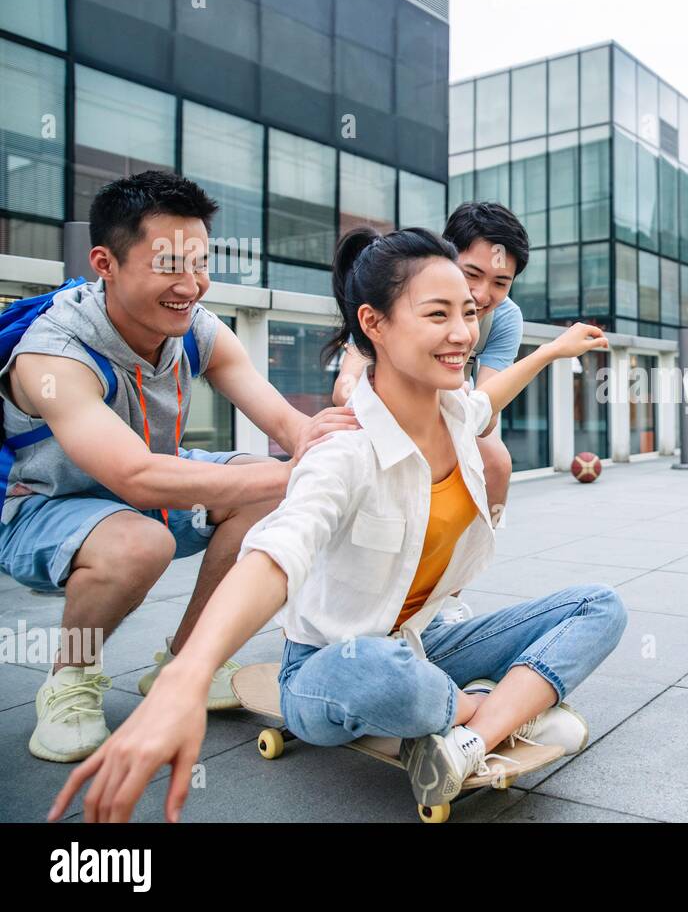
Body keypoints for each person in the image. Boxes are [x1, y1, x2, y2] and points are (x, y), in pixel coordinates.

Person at [49, 226, 626, 822]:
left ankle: (470, 734)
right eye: (437, 315)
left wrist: (553, 351)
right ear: (374, 324)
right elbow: (274, 554)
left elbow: (492, 394)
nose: (462, 334)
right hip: (331, 668)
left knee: (599, 606)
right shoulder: (343, 449)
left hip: (416, 647)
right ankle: (498, 708)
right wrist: (188, 675)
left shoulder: (456, 413)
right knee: (379, 672)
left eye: (469, 312)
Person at [0, 171, 358, 764]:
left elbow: (286, 425)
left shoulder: (198, 328)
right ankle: (71, 681)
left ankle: (188, 662)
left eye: (200, 263)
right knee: (141, 542)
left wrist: (329, 445)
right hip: (43, 505)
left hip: (152, 484)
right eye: (169, 265)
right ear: (105, 263)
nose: (190, 285)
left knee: (275, 499)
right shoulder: (54, 354)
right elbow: (134, 477)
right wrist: (295, 473)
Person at [333, 201, 526, 527]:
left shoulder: (505, 318)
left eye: (500, 283)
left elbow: (487, 417)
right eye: (472, 274)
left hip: (457, 405)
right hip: (386, 406)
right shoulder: (399, 290)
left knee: (496, 461)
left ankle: (459, 561)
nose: (481, 294)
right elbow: (345, 389)